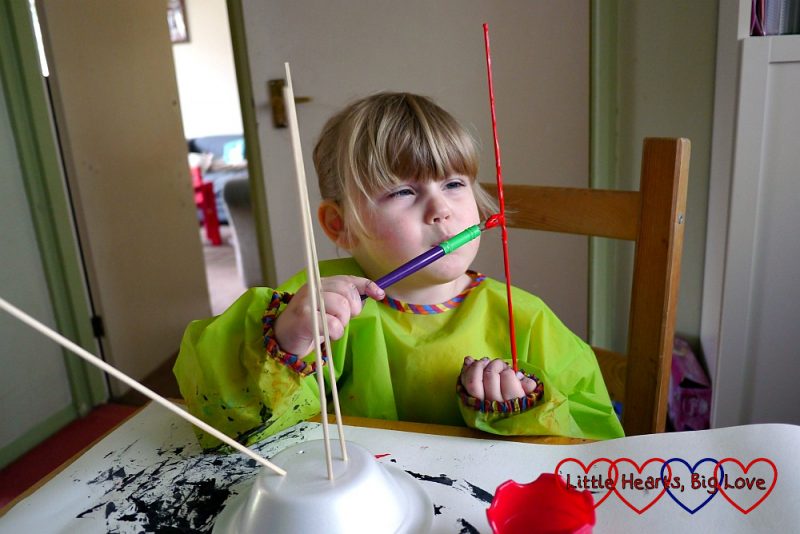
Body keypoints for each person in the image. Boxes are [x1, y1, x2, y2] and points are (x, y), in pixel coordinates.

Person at [174, 92, 623, 450]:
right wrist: (284, 345)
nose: (441, 210)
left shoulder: (526, 320)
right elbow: (220, 422)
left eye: (453, 184)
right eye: (403, 191)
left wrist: (523, 408)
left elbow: (593, 446)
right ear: (339, 225)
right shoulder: (309, 306)